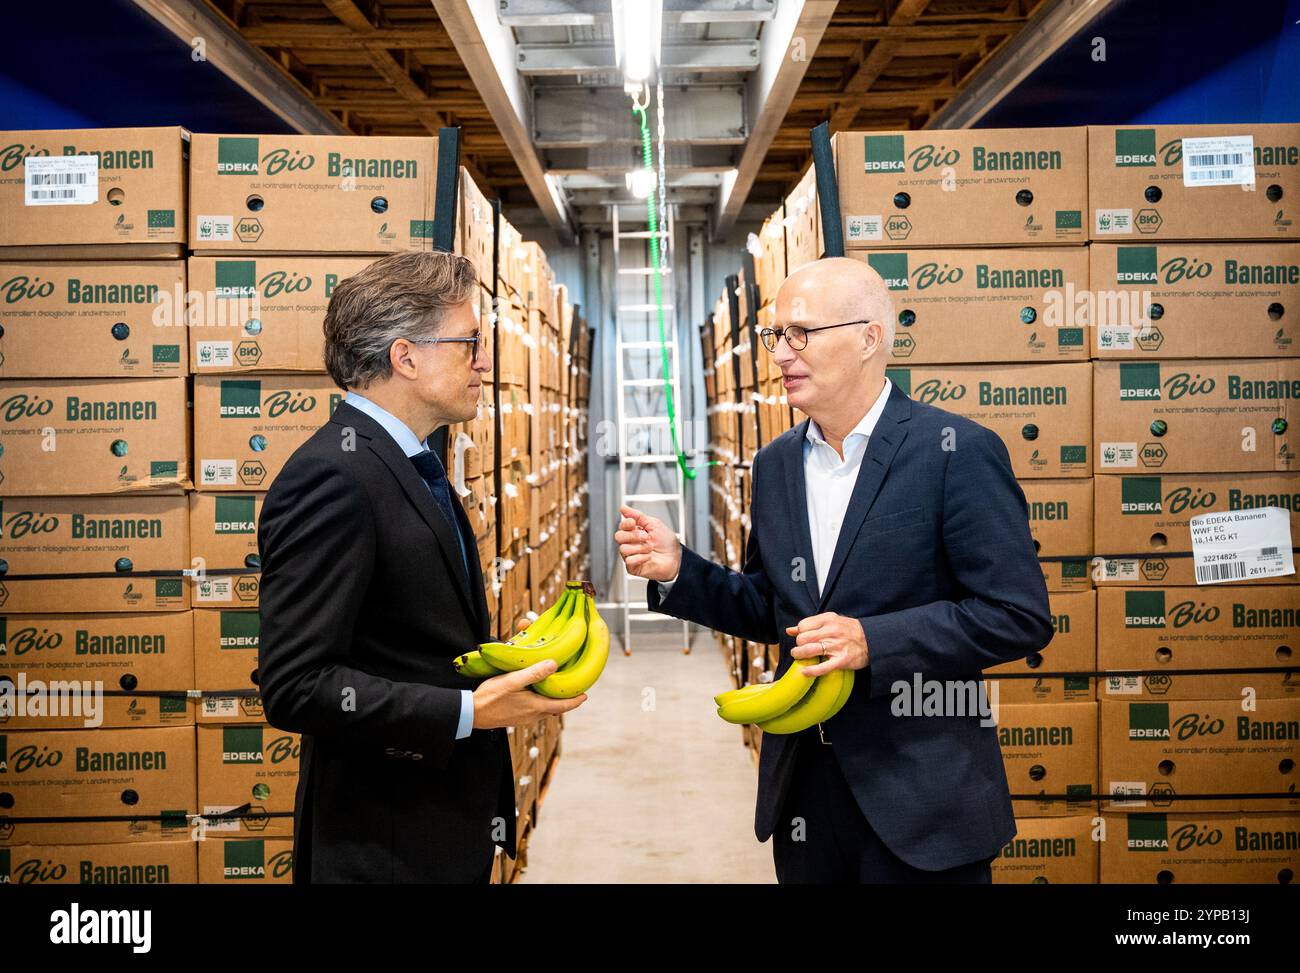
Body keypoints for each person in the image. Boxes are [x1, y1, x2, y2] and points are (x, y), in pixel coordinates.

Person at [616, 257, 1053, 884]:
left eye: (802, 334)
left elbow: (1016, 616)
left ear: (871, 337)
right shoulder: (775, 466)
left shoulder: (954, 452)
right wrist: (680, 570)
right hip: (806, 797)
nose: (781, 355)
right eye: (774, 337)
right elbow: (774, 609)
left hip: (921, 802)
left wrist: (873, 642)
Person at [258, 251, 585, 883]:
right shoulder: (333, 477)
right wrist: (470, 711)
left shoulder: (405, 461)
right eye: (469, 344)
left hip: (437, 827)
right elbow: (296, 685)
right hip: (382, 844)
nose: (484, 362)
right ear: (405, 357)